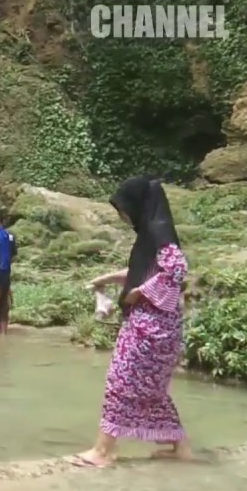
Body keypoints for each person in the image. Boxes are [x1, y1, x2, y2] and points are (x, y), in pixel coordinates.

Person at [73, 176, 192, 468]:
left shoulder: (158, 233)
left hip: (150, 328)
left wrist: (141, 293)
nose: (122, 215)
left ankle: (102, 452)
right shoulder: (154, 234)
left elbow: (177, 269)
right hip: (161, 328)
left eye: (124, 209)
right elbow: (145, 270)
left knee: (120, 381)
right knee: (152, 389)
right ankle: (182, 449)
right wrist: (108, 279)